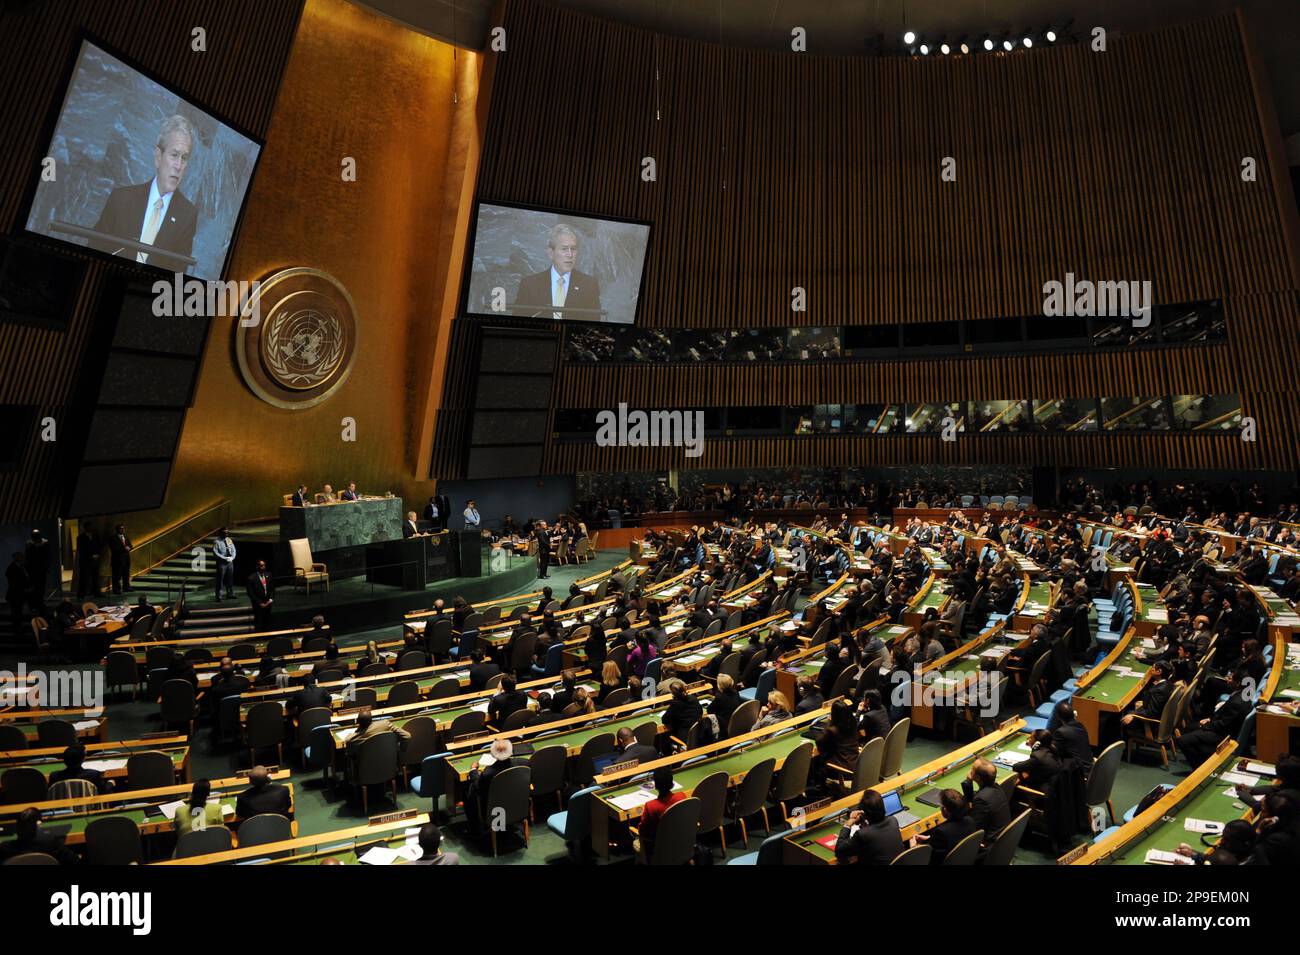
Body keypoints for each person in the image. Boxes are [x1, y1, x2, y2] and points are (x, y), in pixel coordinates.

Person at [89, 114, 198, 271]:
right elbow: (94, 249)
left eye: (185, 158)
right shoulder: (121, 199)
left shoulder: (187, 215)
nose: (179, 165)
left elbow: (177, 273)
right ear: (158, 156)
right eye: (174, 155)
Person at [513, 223, 603, 320]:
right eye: (564, 249)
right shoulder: (530, 284)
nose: (570, 254)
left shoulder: (589, 285)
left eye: (573, 249)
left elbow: (593, 327)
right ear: (551, 253)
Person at [1175, 669, 1253, 767]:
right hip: (1223, 728)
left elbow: (1223, 725)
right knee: (1189, 728)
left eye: (1230, 679)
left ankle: (1200, 767)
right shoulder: (1244, 694)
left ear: (1237, 683)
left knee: (1183, 740)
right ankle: (1202, 756)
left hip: (1223, 735)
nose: (1227, 680)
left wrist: (1206, 725)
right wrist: (1210, 719)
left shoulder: (1237, 702)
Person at [464, 739, 524, 837]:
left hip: (495, 811)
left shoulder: (488, 773)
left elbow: (477, 787)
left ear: (493, 754)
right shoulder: (524, 764)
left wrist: (473, 770)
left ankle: (474, 830)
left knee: (467, 789)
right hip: (520, 807)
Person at [834, 789, 905, 865]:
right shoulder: (893, 821)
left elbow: (839, 851)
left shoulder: (863, 834)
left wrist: (849, 823)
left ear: (864, 813)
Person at [917, 788, 978, 865]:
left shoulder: (941, 832)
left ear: (945, 810)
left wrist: (915, 849)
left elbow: (930, 860)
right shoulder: (970, 821)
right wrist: (929, 839)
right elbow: (953, 840)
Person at [635, 766, 685, 861]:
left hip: (659, 849)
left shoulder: (651, 806)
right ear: (672, 784)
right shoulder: (682, 797)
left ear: (656, 786)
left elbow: (642, 832)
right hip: (681, 842)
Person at [0, 808, 78, 865]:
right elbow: (74, 861)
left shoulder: (5, 848)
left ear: (17, 829)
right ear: (39, 825)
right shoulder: (53, 844)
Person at [964, 758, 1011, 841]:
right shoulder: (997, 788)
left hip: (988, 846)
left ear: (978, 778)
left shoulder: (982, 800)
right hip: (1003, 839)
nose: (970, 770)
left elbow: (973, 828)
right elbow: (973, 798)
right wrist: (968, 782)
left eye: (972, 769)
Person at [48, 744, 113, 794]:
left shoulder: (54, 776)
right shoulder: (94, 775)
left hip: (63, 810)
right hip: (89, 808)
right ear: (83, 759)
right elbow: (103, 791)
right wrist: (110, 783)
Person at [345, 712, 412, 759]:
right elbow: (407, 736)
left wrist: (356, 731)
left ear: (358, 722)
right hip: (388, 766)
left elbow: (350, 753)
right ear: (371, 720)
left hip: (365, 772)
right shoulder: (386, 724)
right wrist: (400, 750)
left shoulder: (352, 739)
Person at [1050, 702, 1094, 772]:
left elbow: (1051, 751)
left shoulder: (1061, 732)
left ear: (1058, 717)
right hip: (1090, 766)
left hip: (1080, 772)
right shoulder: (1081, 725)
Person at [661, 679, 702, 745]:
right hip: (699, 734)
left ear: (673, 694)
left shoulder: (675, 704)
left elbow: (664, 720)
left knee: (664, 737)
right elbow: (701, 712)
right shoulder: (693, 698)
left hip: (684, 738)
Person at [246, 559, 274, 631]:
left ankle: (267, 636)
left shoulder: (269, 575)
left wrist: (270, 600)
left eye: (264, 565)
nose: (263, 567)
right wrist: (259, 603)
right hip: (258, 604)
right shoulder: (251, 578)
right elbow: (250, 593)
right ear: (257, 567)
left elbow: (272, 589)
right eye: (261, 566)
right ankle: (259, 637)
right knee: (259, 621)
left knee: (267, 620)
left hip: (268, 603)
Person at [75, 523, 101, 598]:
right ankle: (81, 594)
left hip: (95, 560)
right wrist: (91, 556)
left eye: (91, 526)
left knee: (95, 577)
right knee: (84, 578)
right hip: (85, 561)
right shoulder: (80, 538)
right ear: (85, 528)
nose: (90, 528)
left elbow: (99, 546)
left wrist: (97, 554)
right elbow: (81, 550)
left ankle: (96, 593)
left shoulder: (95, 536)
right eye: (88, 527)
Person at [108, 524, 133, 595]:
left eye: (123, 528)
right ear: (117, 530)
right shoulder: (112, 538)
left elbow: (131, 546)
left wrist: (129, 548)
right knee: (116, 575)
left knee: (126, 574)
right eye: (120, 529)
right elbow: (114, 549)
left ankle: (126, 587)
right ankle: (116, 589)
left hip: (126, 559)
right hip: (117, 560)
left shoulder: (125, 536)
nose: (122, 530)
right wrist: (125, 549)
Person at [213, 526, 236, 601]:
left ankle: (230, 593)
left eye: (227, 532)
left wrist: (232, 557)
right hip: (222, 562)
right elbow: (215, 553)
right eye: (224, 532)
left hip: (230, 562)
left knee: (230, 578)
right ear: (221, 533)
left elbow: (233, 550)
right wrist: (224, 558)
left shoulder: (229, 540)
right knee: (220, 579)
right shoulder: (217, 542)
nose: (226, 534)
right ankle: (219, 595)